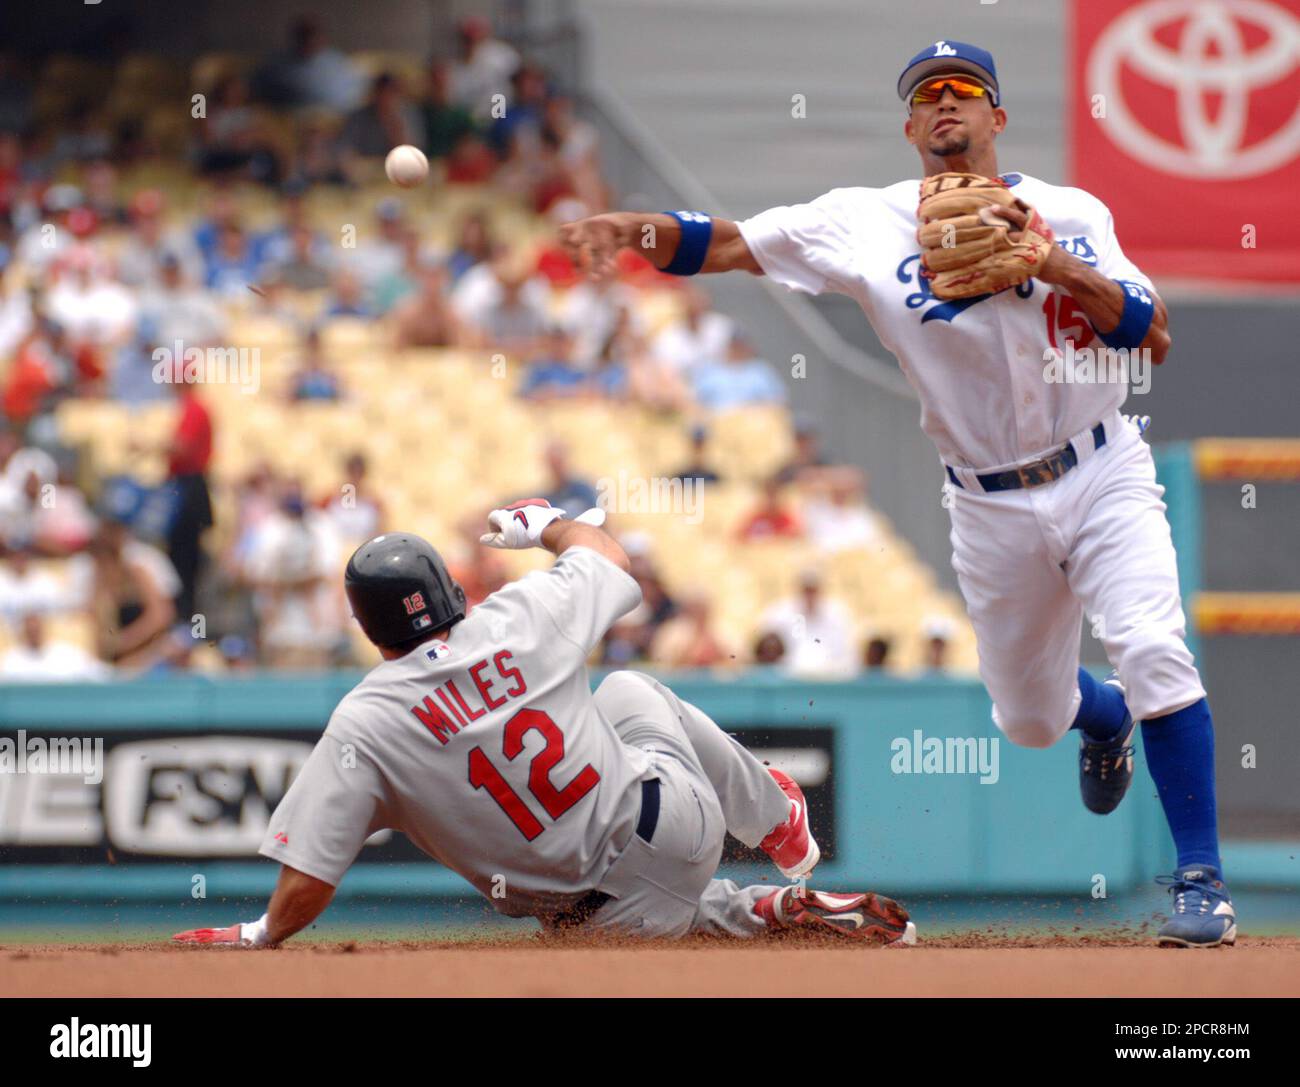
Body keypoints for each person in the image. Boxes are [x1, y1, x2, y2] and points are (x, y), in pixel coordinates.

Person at [557, 39, 1228, 947]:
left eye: (965, 90)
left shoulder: (1071, 211)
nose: (945, 103)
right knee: (1030, 720)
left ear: (997, 115)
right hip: (987, 501)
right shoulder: (860, 221)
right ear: (910, 126)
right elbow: (728, 244)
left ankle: (1201, 885)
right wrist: (628, 229)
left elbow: (1154, 336)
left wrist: (1055, 265)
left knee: (1154, 646)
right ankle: (1096, 712)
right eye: (926, 96)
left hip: (1103, 467)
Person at [173, 505, 913, 946]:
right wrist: (549, 522)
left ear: (368, 630)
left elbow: (310, 875)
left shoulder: (366, 719)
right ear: (451, 590)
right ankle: (778, 829)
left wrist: (262, 932)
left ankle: (763, 898)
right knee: (626, 687)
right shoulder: (520, 614)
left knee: (650, 921)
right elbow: (610, 559)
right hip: (677, 823)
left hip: (591, 918)